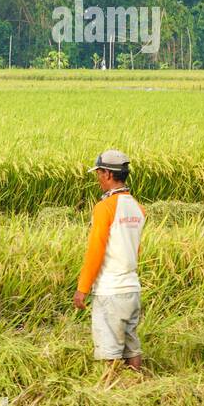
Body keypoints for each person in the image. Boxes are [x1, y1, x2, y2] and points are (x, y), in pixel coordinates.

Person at [74, 149, 146, 371]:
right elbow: (136, 249)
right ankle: (139, 386)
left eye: (98, 173)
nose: (98, 179)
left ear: (107, 173)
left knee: (110, 354)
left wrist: (82, 288)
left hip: (111, 291)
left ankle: (110, 394)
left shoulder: (104, 207)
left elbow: (96, 251)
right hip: (132, 290)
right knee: (132, 348)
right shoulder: (137, 207)